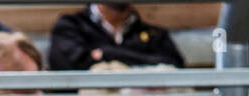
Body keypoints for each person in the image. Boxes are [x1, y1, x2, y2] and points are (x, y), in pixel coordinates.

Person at [48, 4, 183, 72]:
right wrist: (141, 59)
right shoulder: (70, 26)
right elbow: (67, 67)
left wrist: (107, 53)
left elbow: (173, 66)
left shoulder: (154, 34)